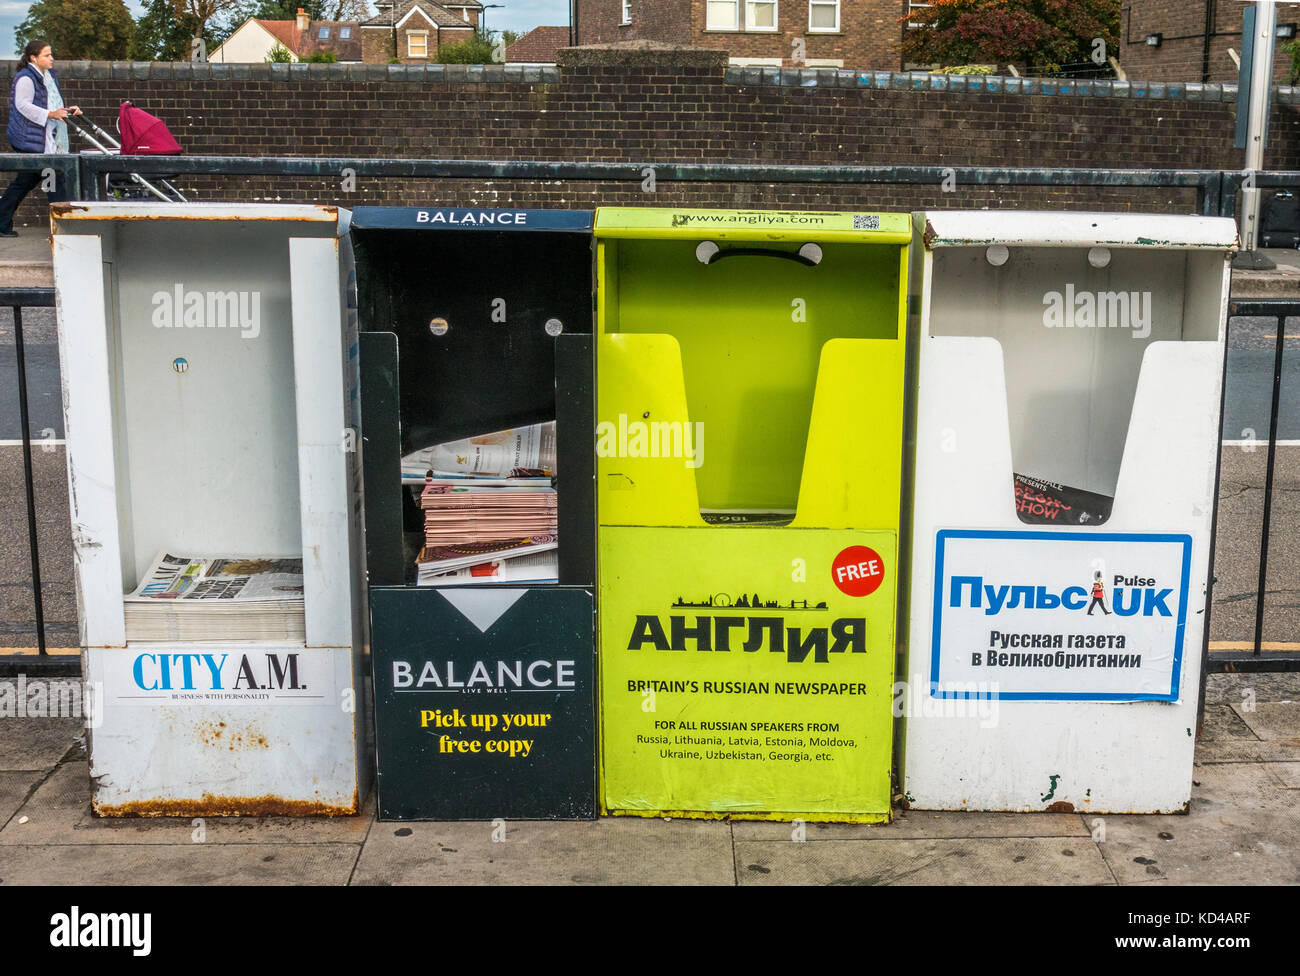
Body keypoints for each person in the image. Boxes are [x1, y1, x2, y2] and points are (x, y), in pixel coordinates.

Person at [0, 40, 81, 237]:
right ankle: (64, 225)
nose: (51, 58)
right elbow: (23, 106)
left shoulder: (49, 76)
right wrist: (51, 115)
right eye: (46, 55)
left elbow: (52, 103)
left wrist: (67, 110)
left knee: (27, 180)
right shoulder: (26, 78)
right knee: (52, 177)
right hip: (30, 139)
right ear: (33, 58)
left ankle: (1, 222)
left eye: (51, 54)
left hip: (45, 138)